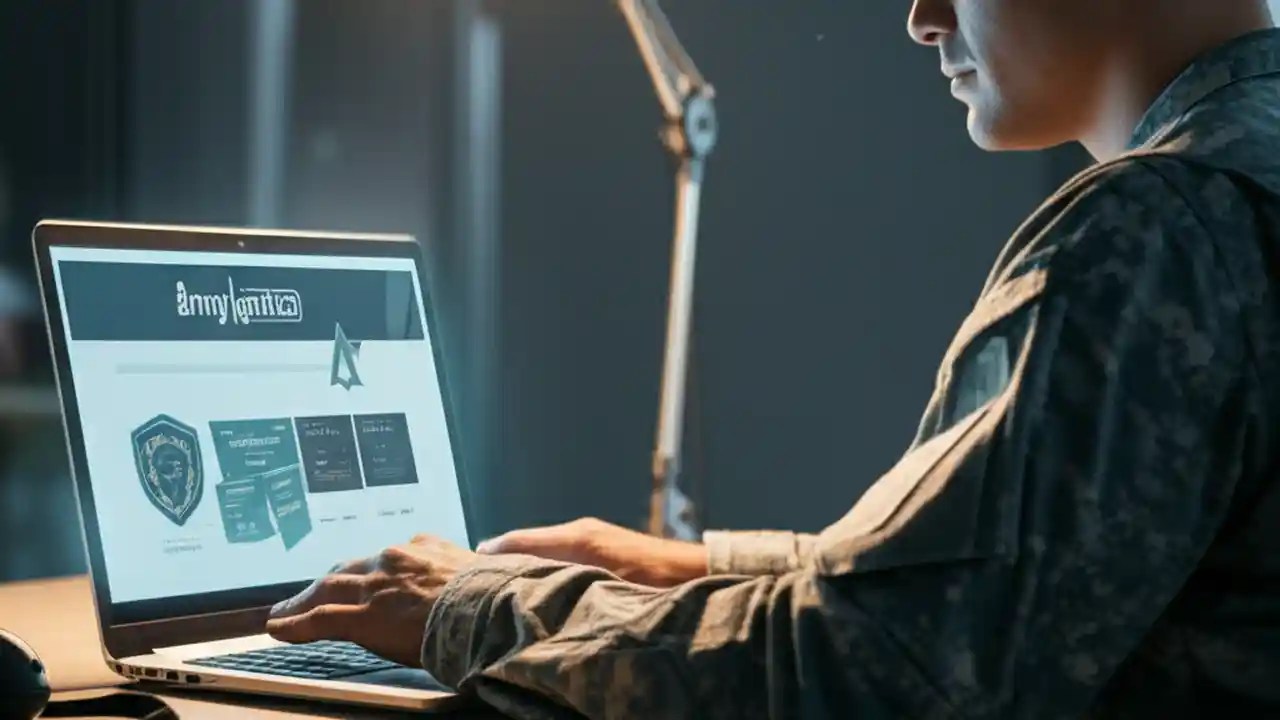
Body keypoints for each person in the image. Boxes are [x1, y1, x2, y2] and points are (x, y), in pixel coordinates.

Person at [267, 0, 1280, 716]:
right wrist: (702, 569)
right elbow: (1042, 591)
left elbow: (869, 676)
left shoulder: (1157, 228)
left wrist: (471, 607)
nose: (920, 15)